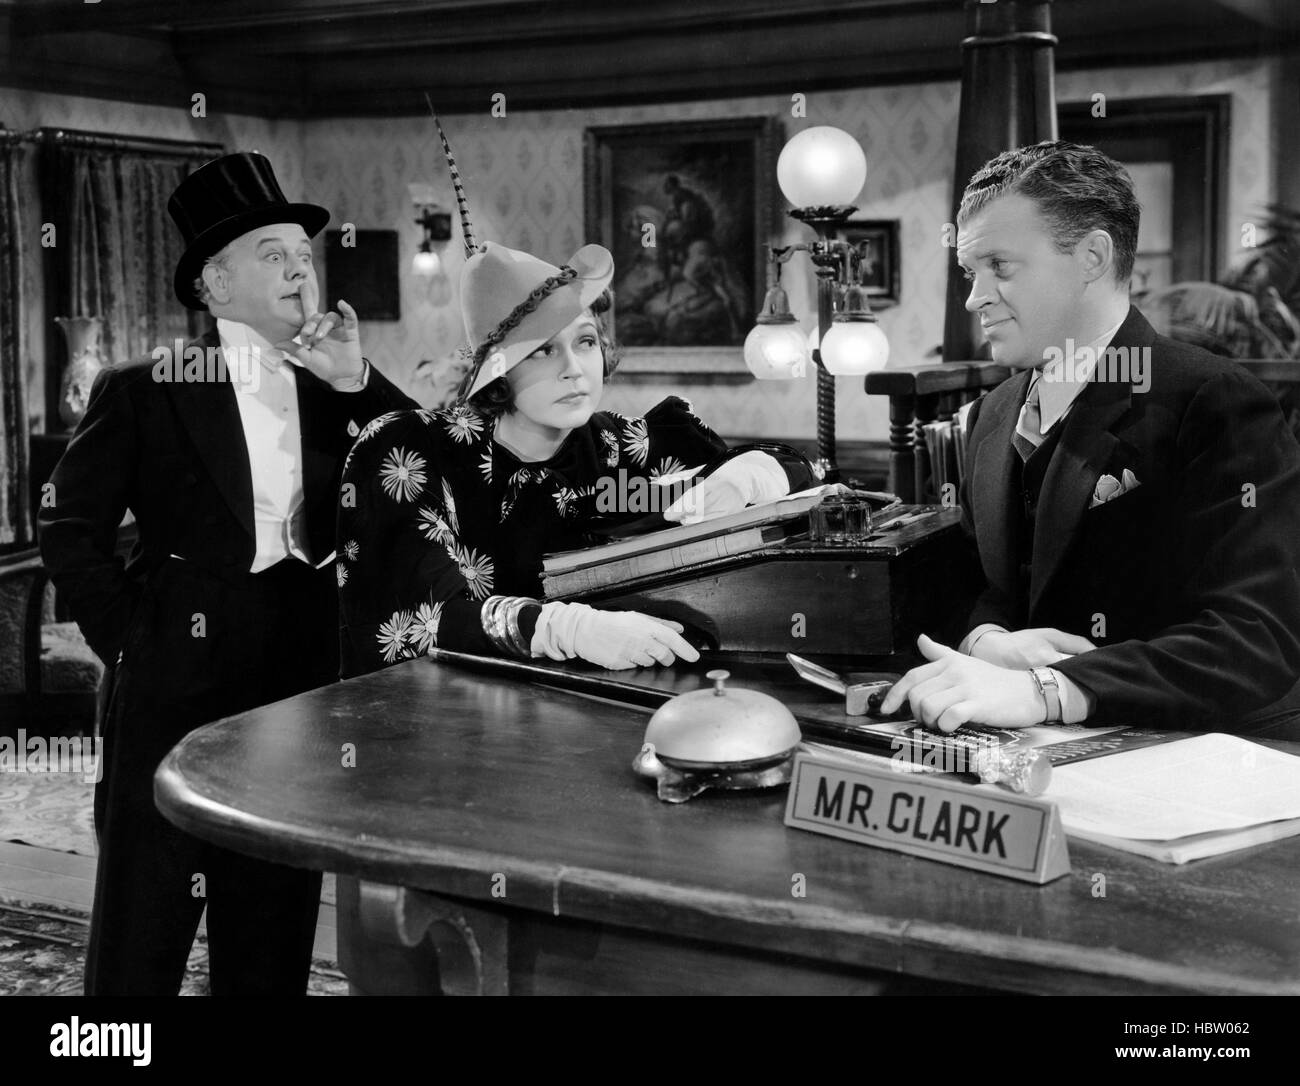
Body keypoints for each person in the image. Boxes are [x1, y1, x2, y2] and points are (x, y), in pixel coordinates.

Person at [40, 152, 416, 995]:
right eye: (273, 253)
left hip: (300, 670)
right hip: (176, 657)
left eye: (303, 255)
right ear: (214, 283)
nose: (298, 269)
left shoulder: (339, 383)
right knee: (147, 913)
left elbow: (422, 475)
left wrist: (353, 377)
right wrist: (131, 637)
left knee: (274, 905)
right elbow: (69, 526)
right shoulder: (145, 386)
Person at [338, 125, 815, 677]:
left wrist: (756, 475)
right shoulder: (411, 451)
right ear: (499, 373)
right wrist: (563, 629)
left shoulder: (612, 447)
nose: (573, 369)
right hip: (434, 726)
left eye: (585, 342)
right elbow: (427, 618)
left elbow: (797, 471)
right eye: (541, 352)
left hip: (581, 717)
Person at [881, 140, 1300, 738]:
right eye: (971, 272)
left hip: (1197, 754)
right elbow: (975, 582)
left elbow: (1257, 637)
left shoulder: (1215, 401)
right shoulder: (992, 415)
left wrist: (1050, 689)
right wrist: (989, 640)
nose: (974, 297)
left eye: (1000, 266)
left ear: (1092, 257)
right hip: (1022, 756)